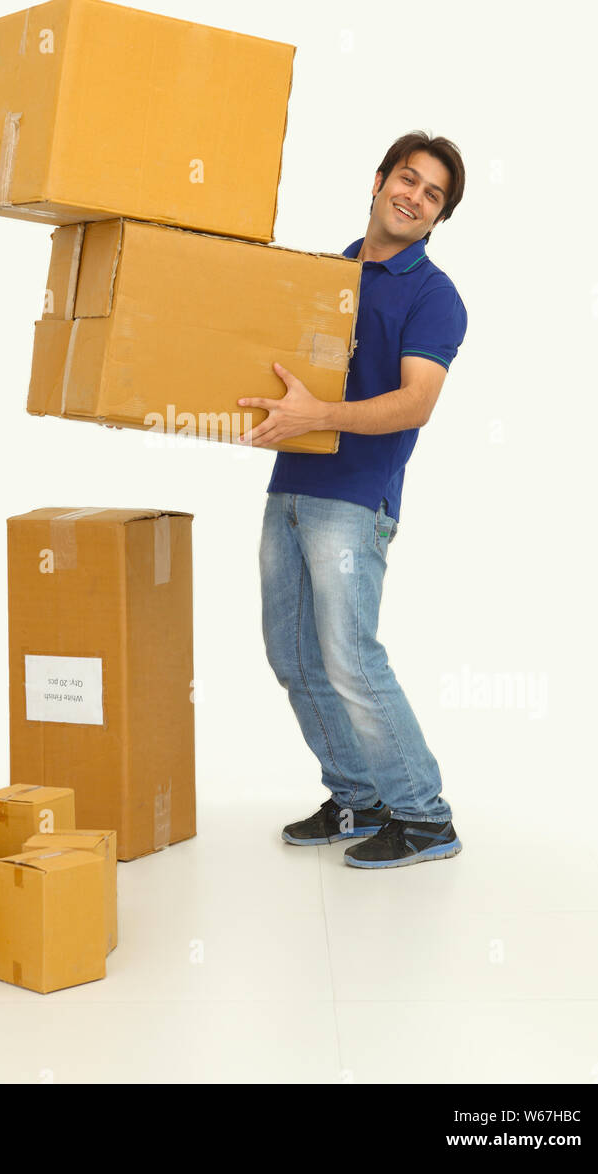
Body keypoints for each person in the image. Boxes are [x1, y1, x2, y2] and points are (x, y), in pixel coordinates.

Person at [237, 130, 467, 869]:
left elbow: (415, 403)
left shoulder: (435, 297)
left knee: (350, 658)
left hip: (356, 498)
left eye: (433, 195)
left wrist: (321, 418)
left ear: (437, 218)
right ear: (377, 181)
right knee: (293, 656)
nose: (415, 197)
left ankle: (424, 817)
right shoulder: (323, 274)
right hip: (292, 488)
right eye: (407, 178)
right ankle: (359, 798)